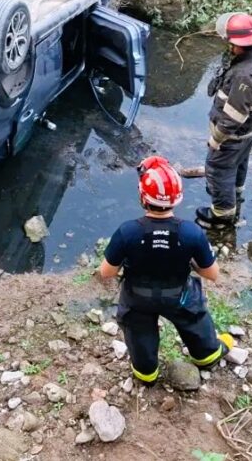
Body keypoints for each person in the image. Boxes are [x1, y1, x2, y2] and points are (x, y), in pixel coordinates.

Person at [98, 156, 234, 384]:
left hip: (138, 299)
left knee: (139, 331)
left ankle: (146, 373)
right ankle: (207, 354)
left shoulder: (127, 232)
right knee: (194, 319)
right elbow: (212, 274)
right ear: (177, 199)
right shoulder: (191, 233)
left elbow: (106, 273)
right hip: (178, 296)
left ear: (143, 196)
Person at [196, 12, 252, 230]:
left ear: (238, 44)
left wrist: (217, 139)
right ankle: (235, 191)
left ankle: (222, 214)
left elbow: (234, 116)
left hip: (234, 134)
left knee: (218, 167)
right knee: (240, 160)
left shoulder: (244, 76)